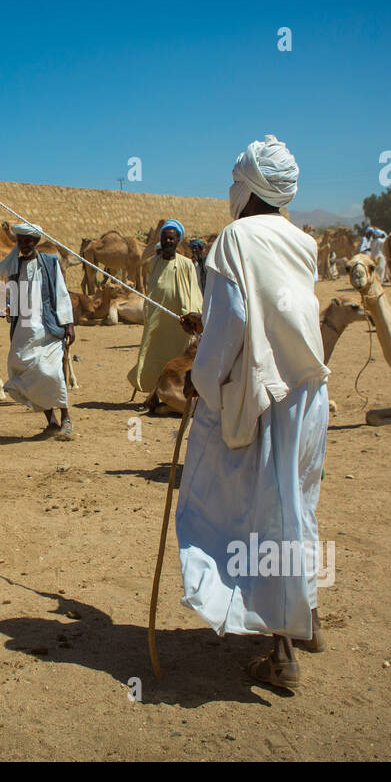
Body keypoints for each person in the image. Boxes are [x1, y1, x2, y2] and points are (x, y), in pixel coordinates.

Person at [174, 135, 330, 692]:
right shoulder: (301, 241)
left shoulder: (234, 238)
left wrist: (199, 380)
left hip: (262, 400)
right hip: (308, 396)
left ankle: (282, 651)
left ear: (245, 186)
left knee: (262, 516)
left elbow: (231, 326)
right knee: (297, 505)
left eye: (234, 182)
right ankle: (304, 618)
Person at [0, 222, 76, 439]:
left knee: (52, 373)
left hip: (48, 327)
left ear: (36, 241)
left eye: (28, 241)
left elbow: (61, 292)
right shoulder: (16, 266)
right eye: (21, 241)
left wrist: (68, 324)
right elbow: (12, 298)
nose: (24, 244)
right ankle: (51, 421)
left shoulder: (49, 263)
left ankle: (65, 417)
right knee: (28, 372)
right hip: (24, 330)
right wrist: (7, 308)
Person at [127, 220, 203, 399]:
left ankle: (175, 392)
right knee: (154, 357)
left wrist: (191, 314)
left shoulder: (186, 264)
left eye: (172, 238)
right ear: (160, 240)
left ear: (177, 241)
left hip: (178, 323)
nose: (168, 241)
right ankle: (155, 392)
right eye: (165, 238)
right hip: (158, 322)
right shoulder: (152, 264)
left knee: (179, 357)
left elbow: (193, 292)